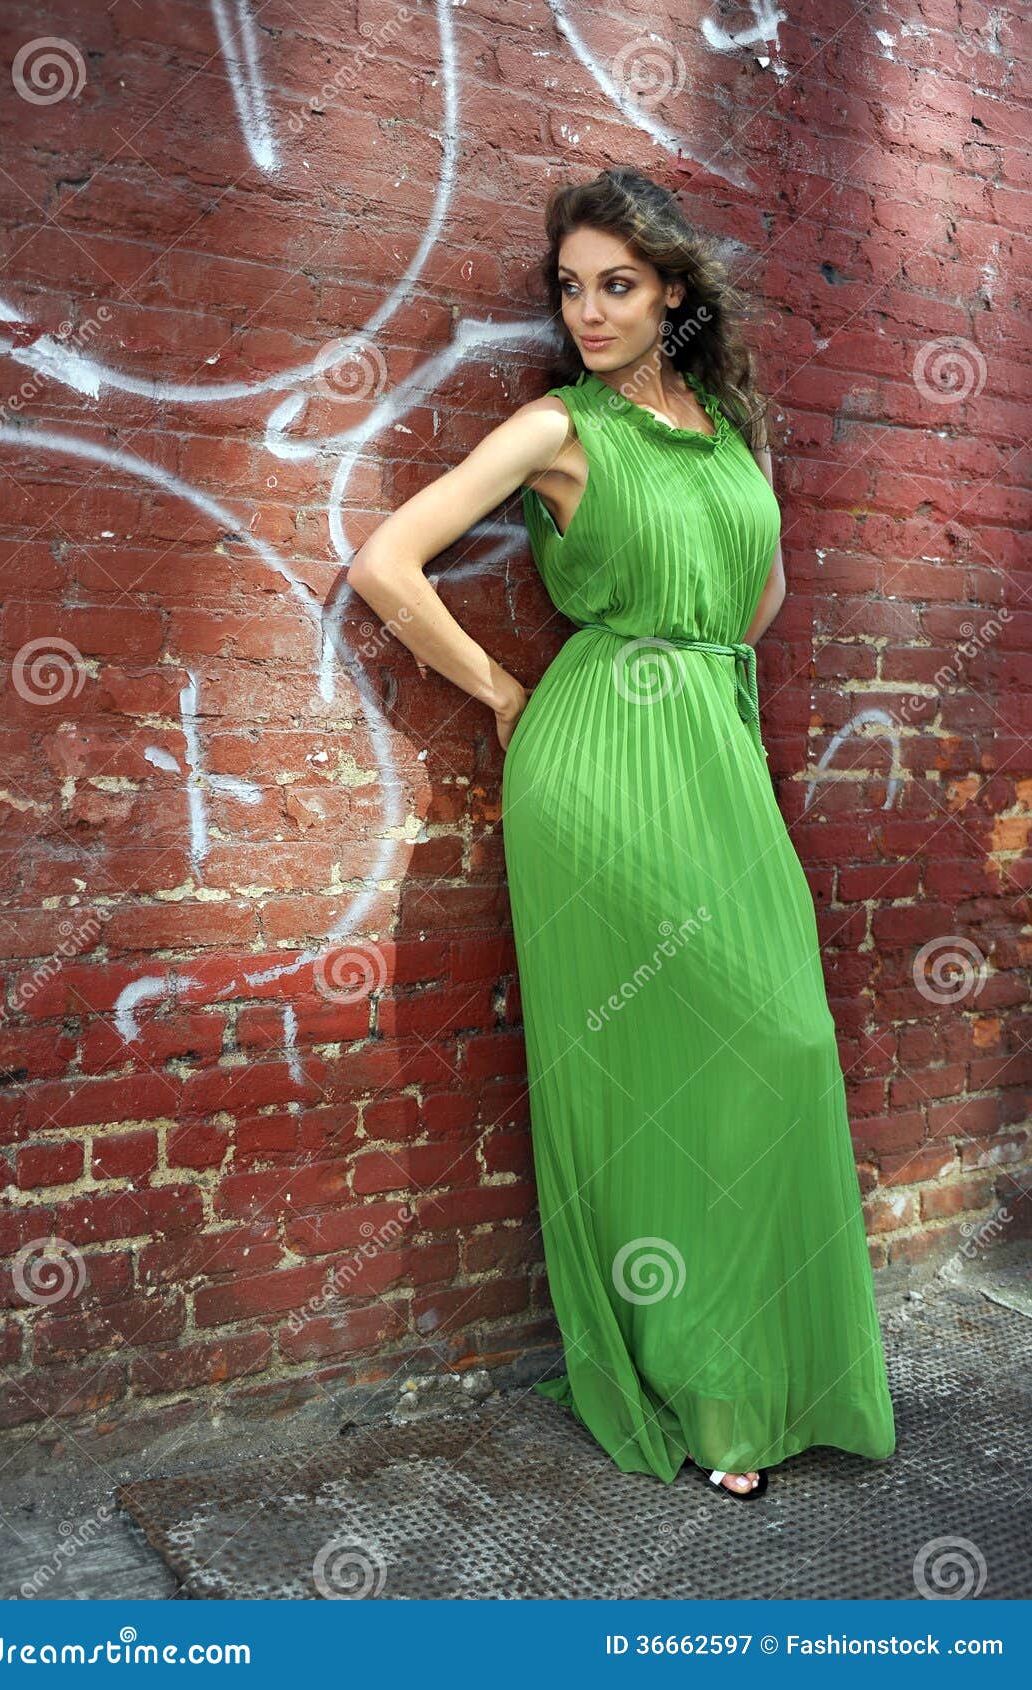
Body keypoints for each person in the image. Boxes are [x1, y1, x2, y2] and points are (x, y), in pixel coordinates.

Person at [347, 166, 896, 1500]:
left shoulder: (725, 428)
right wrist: (501, 692)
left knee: (780, 1041)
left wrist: (701, 658)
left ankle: (769, 1374)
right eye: (569, 286)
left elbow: (758, 595)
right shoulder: (556, 428)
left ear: (671, 295)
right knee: (686, 1062)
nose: (586, 308)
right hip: (596, 763)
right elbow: (384, 560)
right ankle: (712, 1398)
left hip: (712, 747)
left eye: (616, 284)